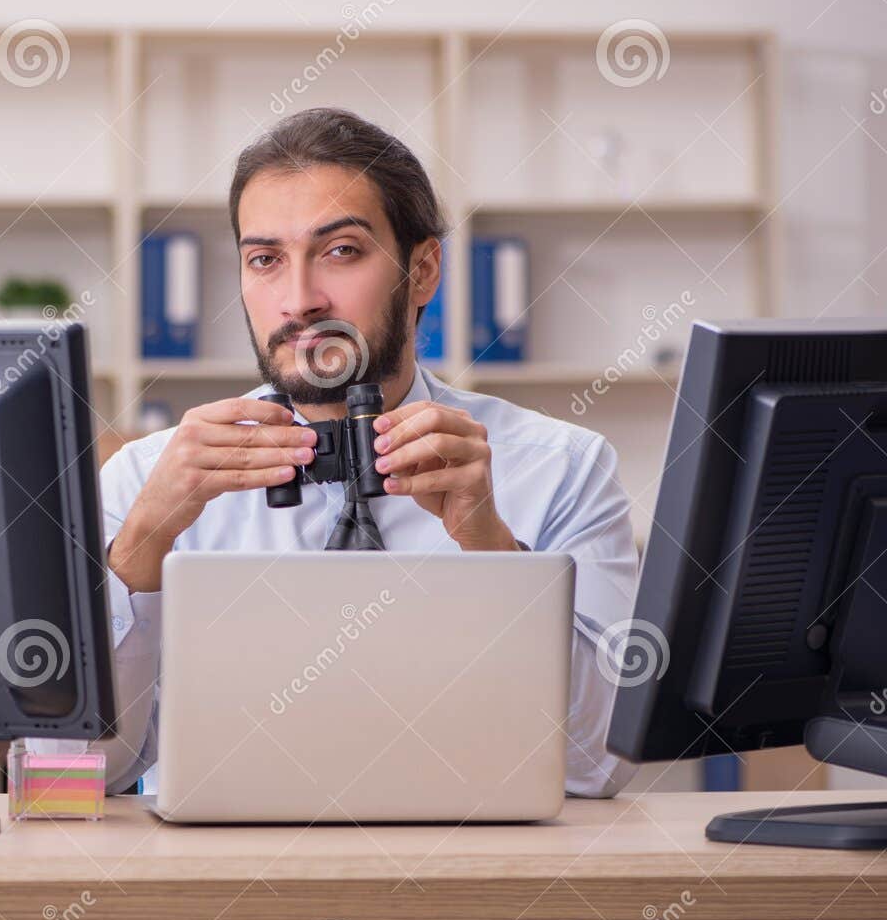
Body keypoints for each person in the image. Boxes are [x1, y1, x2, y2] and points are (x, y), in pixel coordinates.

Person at [99, 106, 639, 798]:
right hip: (217, 890)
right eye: (265, 260)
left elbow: (601, 764)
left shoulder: (563, 468)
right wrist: (141, 545)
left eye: (341, 251)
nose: (298, 300)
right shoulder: (150, 479)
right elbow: (69, 771)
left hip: (478, 885)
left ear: (422, 271)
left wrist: (495, 555)